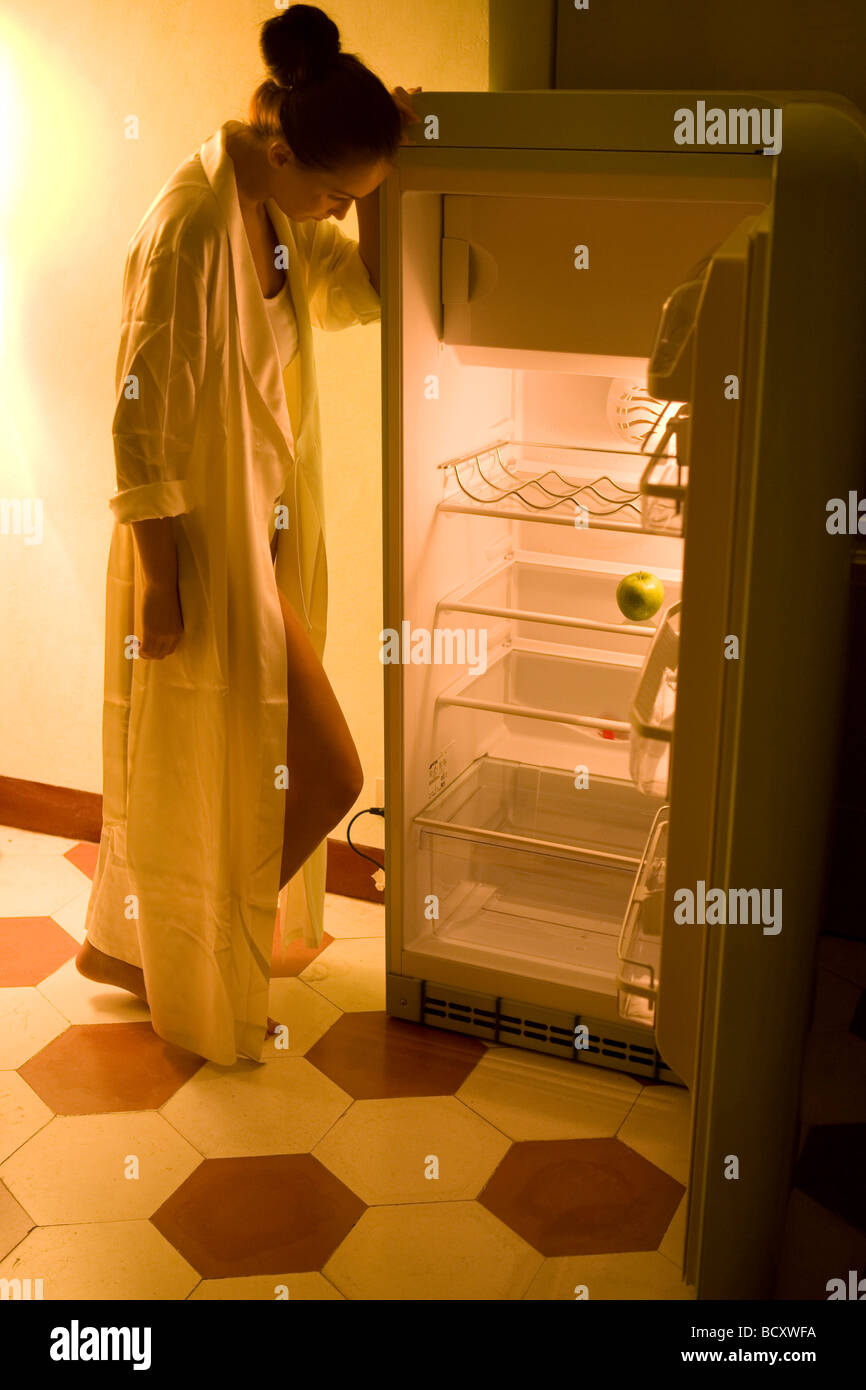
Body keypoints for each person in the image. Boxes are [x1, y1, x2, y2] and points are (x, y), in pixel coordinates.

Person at [76, 3, 419, 1065]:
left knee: (245, 773)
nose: (335, 214)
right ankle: (184, 945)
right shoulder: (190, 223)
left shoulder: (278, 214)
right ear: (280, 148)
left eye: (347, 199)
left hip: (262, 545)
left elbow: (364, 298)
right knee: (320, 776)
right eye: (333, 191)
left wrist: (382, 188)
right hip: (196, 546)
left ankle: (150, 942)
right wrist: (159, 582)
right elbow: (142, 418)